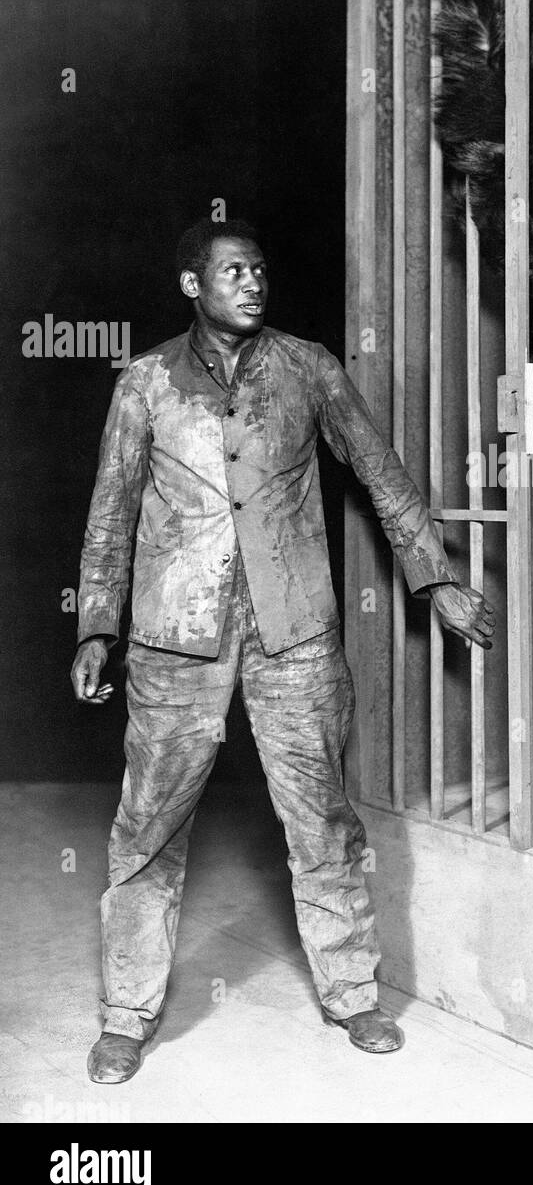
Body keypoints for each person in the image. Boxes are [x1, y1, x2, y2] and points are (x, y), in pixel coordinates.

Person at [71, 218, 494, 1083]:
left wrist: (433, 578)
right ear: (193, 284)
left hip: (293, 633)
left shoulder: (310, 369)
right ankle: (126, 1014)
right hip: (173, 640)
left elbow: (381, 473)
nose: (253, 283)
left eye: (260, 269)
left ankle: (351, 993)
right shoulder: (145, 382)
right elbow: (110, 513)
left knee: (323, 822)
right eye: (233, 272)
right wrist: (95, 627)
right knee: (147, 828)